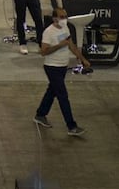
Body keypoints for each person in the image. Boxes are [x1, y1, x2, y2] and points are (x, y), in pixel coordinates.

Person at [34, 8, 90, 136]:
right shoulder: (48, 32)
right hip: (52, 67)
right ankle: (71, 126)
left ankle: (40, 114)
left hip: (62, 67)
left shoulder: (66, 29)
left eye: (65, 16)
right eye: (61, 16)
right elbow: (44, 51)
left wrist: (82, 59)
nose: (64, 19)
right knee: (62, 96)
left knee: (52, 91)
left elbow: (71, 45)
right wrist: (60, 45)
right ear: (54, 18)